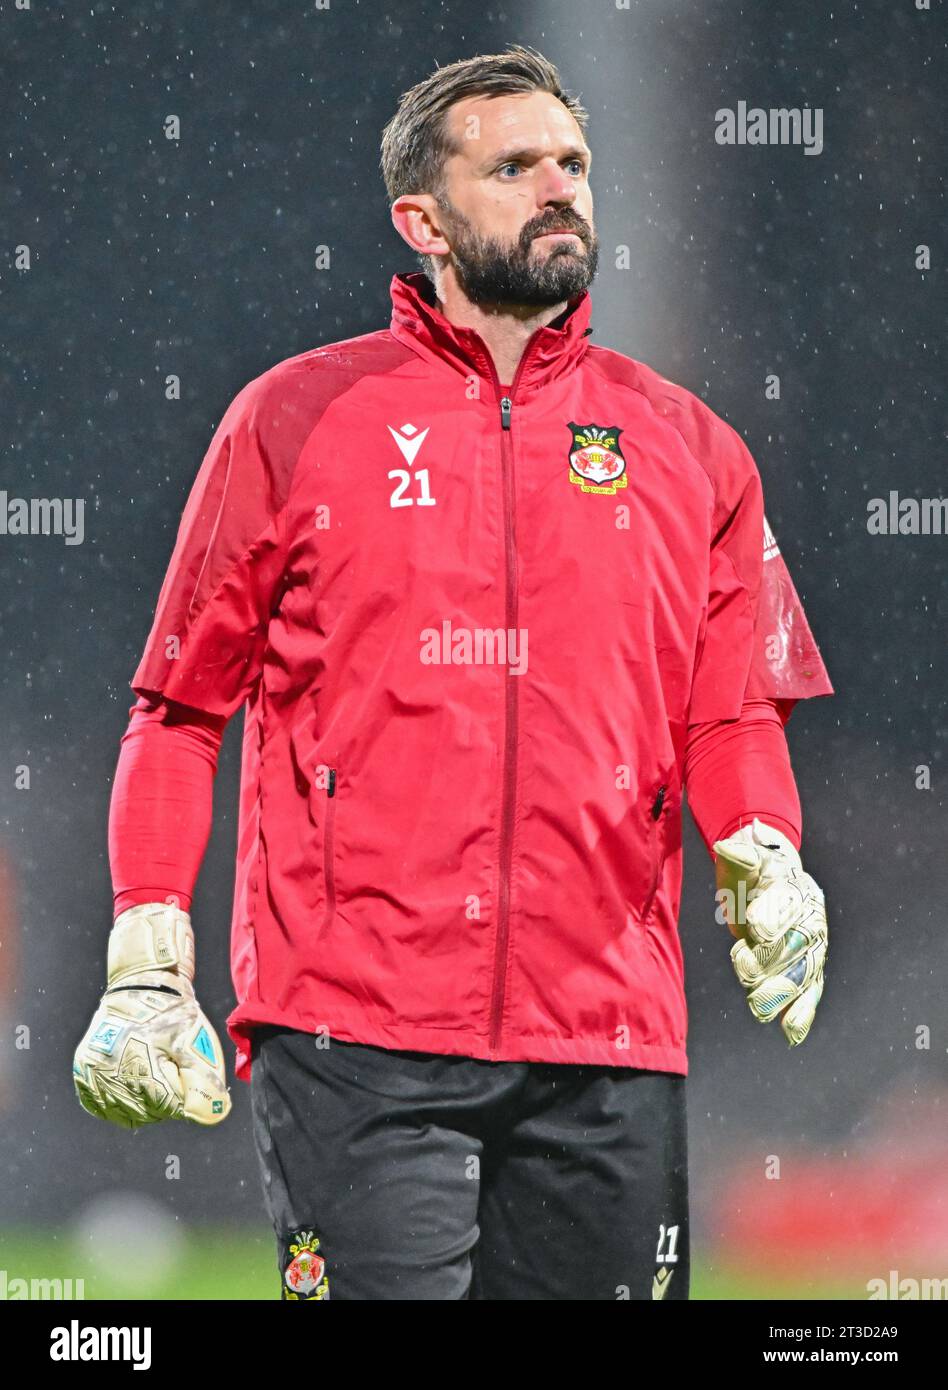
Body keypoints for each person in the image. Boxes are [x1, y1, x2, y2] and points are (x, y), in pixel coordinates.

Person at [74, 44, 833, 1301]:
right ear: (420, 219)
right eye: (516, 164)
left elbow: (729, 712)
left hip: (611, 1033)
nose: (559, 188)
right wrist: (148, 950)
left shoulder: (692, 445)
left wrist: (765, 846)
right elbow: (177, 708)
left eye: (575, 163)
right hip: (357, 1028)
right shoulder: (292, 419)